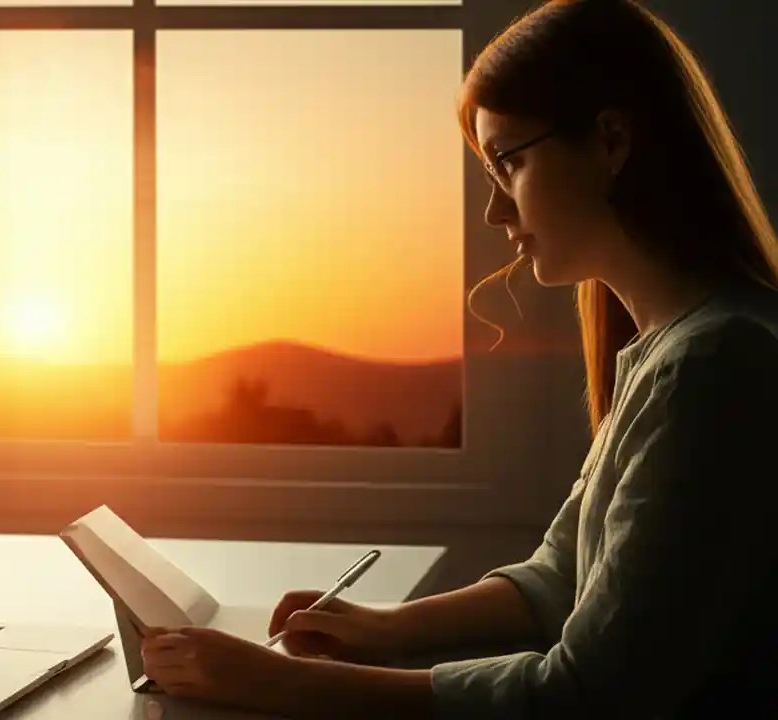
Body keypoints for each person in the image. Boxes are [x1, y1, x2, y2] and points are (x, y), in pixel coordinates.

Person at [140, 0, 778, 716]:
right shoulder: (671, 351)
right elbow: (560, 575)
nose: (494, 213)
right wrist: (381, 626)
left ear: (611, 141)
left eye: (508, 161)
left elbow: (590, 693)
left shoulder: (714, 366)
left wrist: (281, 683)